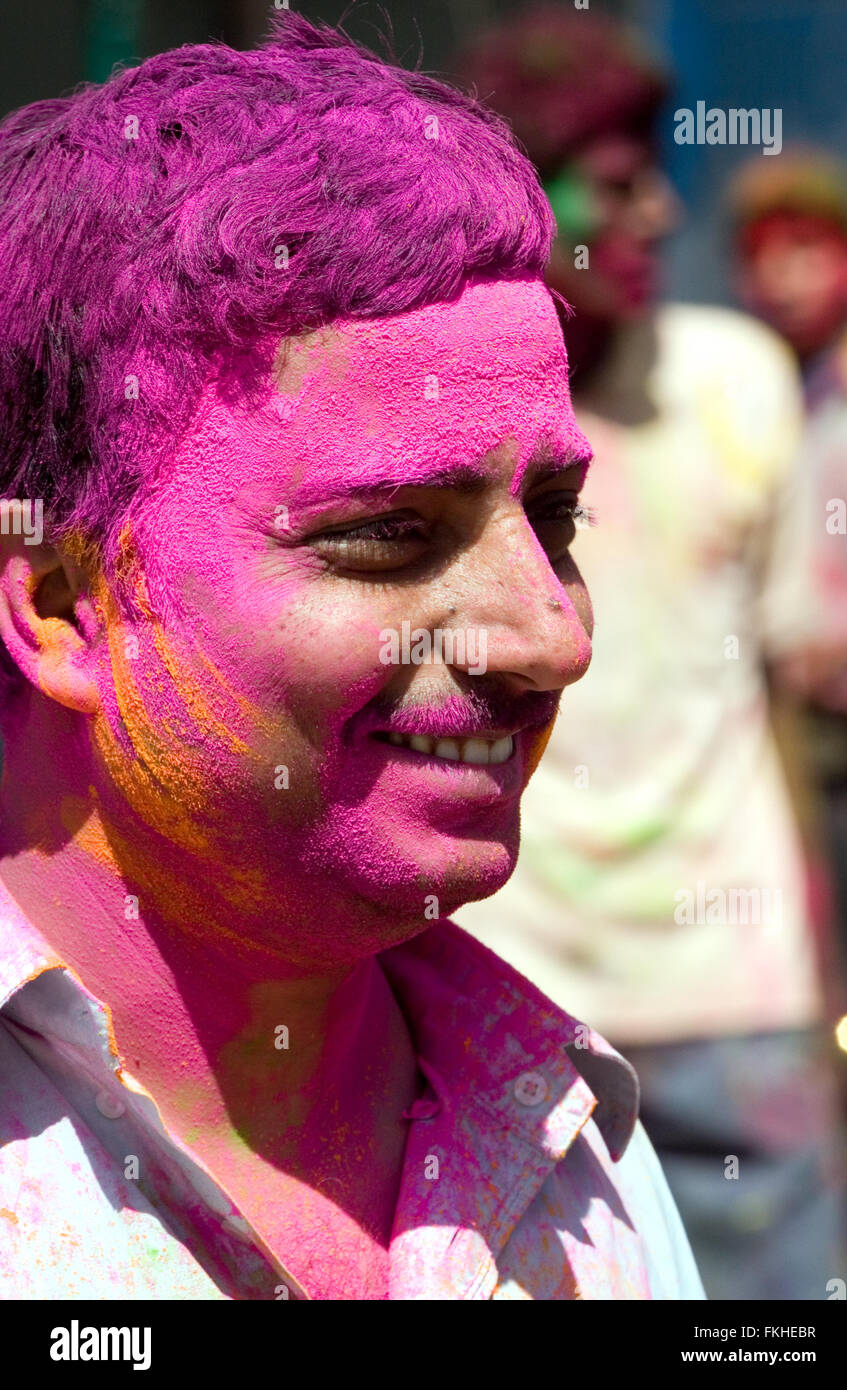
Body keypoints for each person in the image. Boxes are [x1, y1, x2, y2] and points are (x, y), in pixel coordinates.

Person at [0, 13, 703, 1300]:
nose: (551, 638)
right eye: (388, 537)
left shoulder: (565, 1127)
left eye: (553, 521)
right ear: (62, 605)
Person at [453, 6, 847, 1299]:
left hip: (732, 996)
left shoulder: (737, 384)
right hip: (518, 993)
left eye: (659, 183)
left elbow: (797, 672)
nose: (658, 221)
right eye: (617, 187)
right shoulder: (454, 426)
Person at [730, 147, 847, 1181]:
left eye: (806, 250)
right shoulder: (740, 395)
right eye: (761, 256)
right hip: (784, 737)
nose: (784, 276)